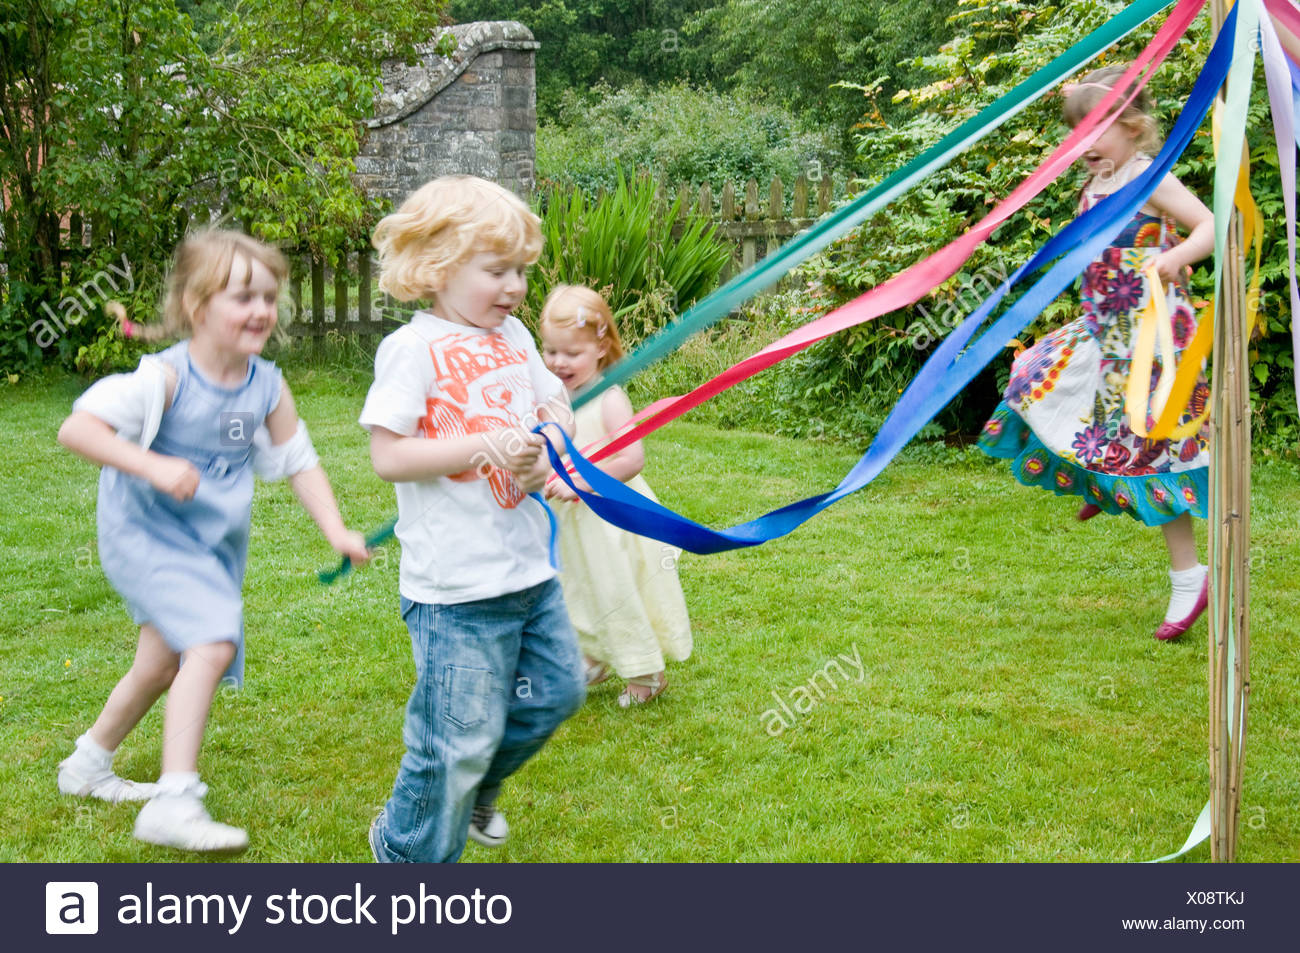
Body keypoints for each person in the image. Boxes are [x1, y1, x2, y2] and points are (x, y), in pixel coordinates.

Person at [55, 229, 369, 852]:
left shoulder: (267, 386)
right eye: (242, 296)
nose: (261, 310)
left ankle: (87, 765)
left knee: (161, 661)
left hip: (206, 544)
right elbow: (77, 429)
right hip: (145, 532)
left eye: (269, 296)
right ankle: (176, 799)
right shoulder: (163, 378)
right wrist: (152, 466)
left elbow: (298, 460)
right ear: (199, 307)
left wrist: (336, 528)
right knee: (213, 637)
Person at [360, 175, 584, 862]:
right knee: (450, 742)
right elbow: (388, 455)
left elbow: (556, 405)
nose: (515, 286)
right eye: (496, 270)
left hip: (528, 572)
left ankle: (475, 788)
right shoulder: (412, 350)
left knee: (557, 691)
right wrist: (484, 443)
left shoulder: (514, 335)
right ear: (437, 267)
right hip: (455, 592)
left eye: (520, 269)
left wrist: (554, 447)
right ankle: (404, 851)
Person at [979, 65, 1215, 641]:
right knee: (1032, 380)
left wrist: (1177, 256)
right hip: (1107, 331)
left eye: (1095, 127)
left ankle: (1190, 576)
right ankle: (1098, 483)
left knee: (1153, 456)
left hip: (1157, 344)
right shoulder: (1093, 189)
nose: (1081, 142)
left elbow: (1210, 226)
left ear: (1133, 126)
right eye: (1075, 131)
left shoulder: (1149, 178)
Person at [539, 285, 693, 706]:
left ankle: (645, 671)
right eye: (550, 351)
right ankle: (593, 656)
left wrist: (580, 483)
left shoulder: (608, 398)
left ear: (601, 346)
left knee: (615, 590)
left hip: (610, 520)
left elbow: (631, 459)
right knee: (578, 587)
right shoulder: (556, 399)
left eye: (571, 353)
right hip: (574, 523)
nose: (558, 362)